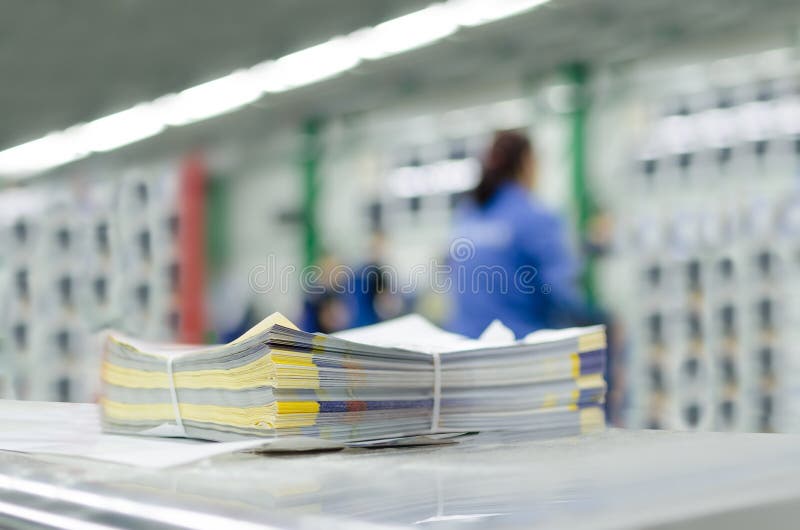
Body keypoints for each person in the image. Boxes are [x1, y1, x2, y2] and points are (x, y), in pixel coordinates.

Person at [447, 130, 602, 338]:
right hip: (521, 345)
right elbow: (561, 294)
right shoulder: (535, 217)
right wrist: (600, 319)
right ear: (526, 163)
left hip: (466, 344)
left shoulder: (466, 216)